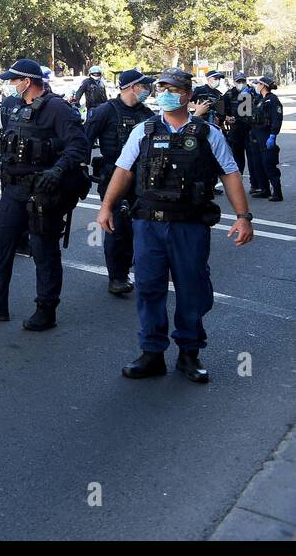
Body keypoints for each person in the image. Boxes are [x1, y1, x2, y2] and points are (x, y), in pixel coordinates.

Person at [97, 69, 254, 382]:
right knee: (149, 288)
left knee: (192, 290)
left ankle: (188, 354)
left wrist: (243, 216)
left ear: (186, 94)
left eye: (171, 88)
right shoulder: (143, 130)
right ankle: (152, 353)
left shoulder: (208, 133)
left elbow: (230, 174)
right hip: (149, 224)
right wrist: (106, 207)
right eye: (161, 88)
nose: (164, 93)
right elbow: (123, 171)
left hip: (189, 225)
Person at [0, 58, 88, 331]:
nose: (10, 85)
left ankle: (46, 310)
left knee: (44, 252)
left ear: (28, 81)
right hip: (14, 190)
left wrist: (57, 171)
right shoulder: (19, 107)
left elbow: (79, 146)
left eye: (14, 80)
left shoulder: (57, 108)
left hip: (42, 193)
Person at [84, 69, 154, 296]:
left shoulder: (147, 114)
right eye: (144, 86)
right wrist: (79, 170)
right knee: (119, 227)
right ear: (132, 87)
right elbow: (84, 141)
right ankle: (118, 276)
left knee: (143, 226)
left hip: (142, 178)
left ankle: (139, 266)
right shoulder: (105, 111)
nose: (147, 90)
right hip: (114, 176)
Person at [254, 76, 283, 201]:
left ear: (263, 86)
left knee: (269, 164)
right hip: (258, 136)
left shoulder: (273, 100)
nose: (256, 86)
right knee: (259, 163)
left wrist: (273, 135)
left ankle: (277, 192)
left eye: (258, 84)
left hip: (267, 136)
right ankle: (265, 189)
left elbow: (277, 119)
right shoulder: (261, 100)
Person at [222, 72, 251, 183]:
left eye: (243, 81)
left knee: (253, 158)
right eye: (238, 81)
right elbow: (220, 109)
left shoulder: (251, 92)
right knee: (237, 157)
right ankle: (238, 181)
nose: (241, 84)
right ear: (234, 82)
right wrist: (226, 117)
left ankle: (256, 184)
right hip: (235, 130)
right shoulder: (229, 94)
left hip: (250, 129)